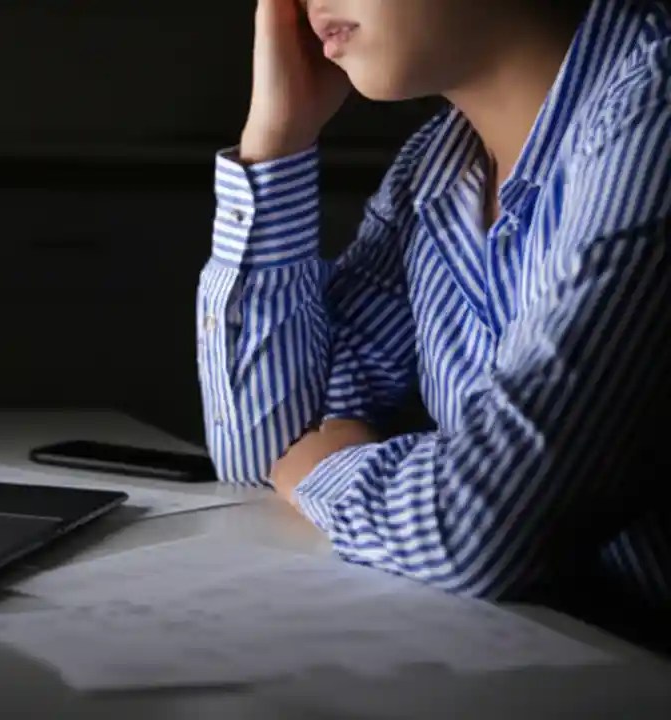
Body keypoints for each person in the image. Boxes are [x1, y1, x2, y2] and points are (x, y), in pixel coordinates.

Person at [200, 0, 671, 644]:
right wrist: (276, 143)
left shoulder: (657, 106)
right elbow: (269, 448)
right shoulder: (435, 168)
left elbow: (488, 523)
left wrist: (332, 473)